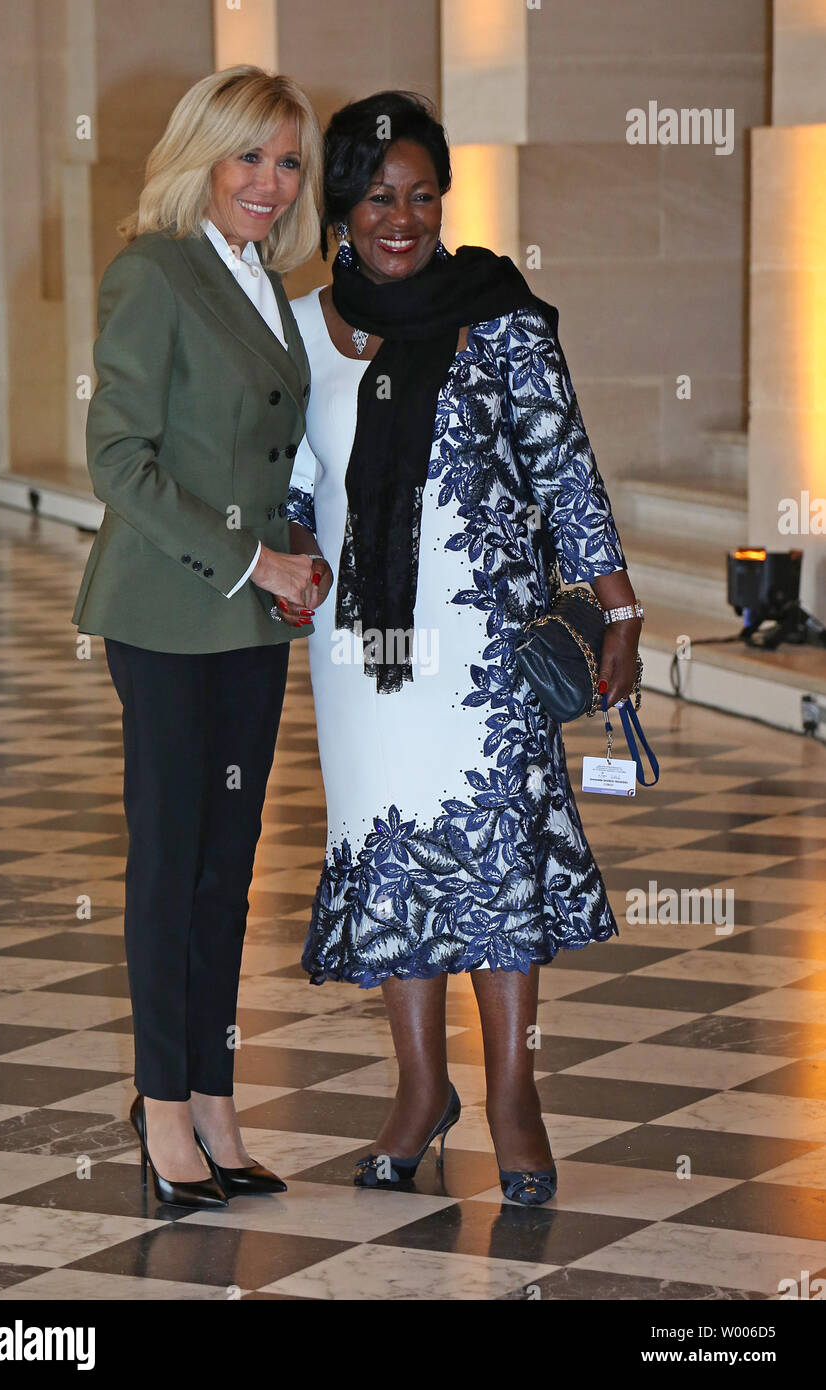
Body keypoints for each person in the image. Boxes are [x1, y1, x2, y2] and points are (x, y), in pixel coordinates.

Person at [280, 92, 643, 1206]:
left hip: (486, 643)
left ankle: (514, 1098)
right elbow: (296, 469)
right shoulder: (303, 327)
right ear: (342, 203)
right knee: (387, 847)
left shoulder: (501, 317)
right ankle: (420, 1089)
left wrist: (617, 608)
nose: (403, 217)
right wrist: (292, 537)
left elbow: (564, 469)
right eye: (379, 195)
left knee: (496, 858)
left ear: (446, 197)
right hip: (365, 644)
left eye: (422, 194)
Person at [72, 66, 323, 1209]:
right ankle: (161, 1103)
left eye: (288, 162)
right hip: (172, 611)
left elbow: (275, 451)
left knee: (230, 869)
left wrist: (299, 548)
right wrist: (249, 558)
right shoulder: (153, 272)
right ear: (201, 159)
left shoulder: (270, 281)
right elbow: (119, 456)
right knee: (171, 862)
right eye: (249, 158)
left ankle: (215, 1097)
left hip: (256, 621)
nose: (270, 184)